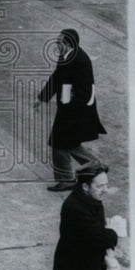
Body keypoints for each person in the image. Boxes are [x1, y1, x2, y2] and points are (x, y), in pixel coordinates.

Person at [34, 29, 107, 192]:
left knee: (59, 143)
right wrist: (42, 98)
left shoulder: (81, 61)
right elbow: (57, 76)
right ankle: (96, 166)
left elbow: (85, 93)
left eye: (59, 41)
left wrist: (70, 115)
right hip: (68, 107)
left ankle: (66, 179)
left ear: (67, 44)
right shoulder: (66, 55)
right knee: (69, 143)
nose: (56, 44)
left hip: (76, 111)